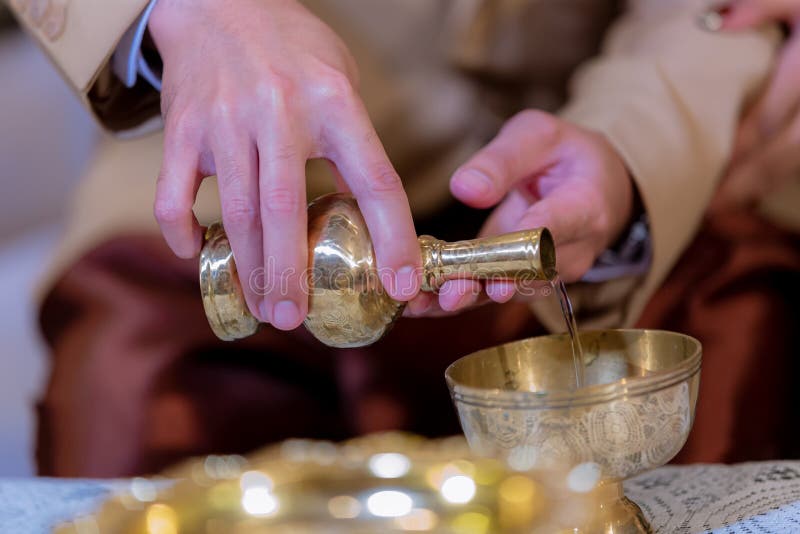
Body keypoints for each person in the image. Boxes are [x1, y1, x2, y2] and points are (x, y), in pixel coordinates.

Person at [8, 0, 785, 476]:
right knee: (142, 409)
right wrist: (194, 10)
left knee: (738, 348)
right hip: (222, 191)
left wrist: (628, 149)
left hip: (585, 169)